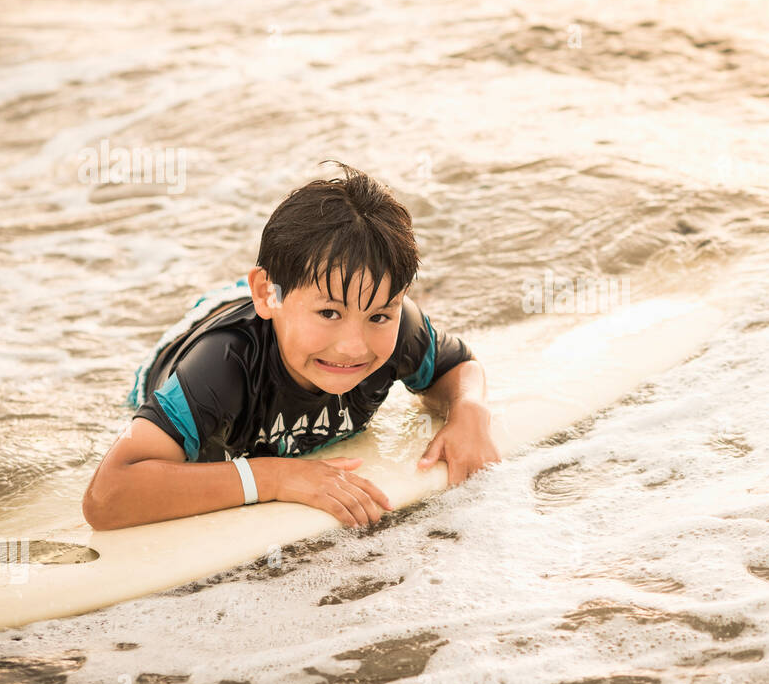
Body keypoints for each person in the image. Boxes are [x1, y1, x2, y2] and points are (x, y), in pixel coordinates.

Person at [82, 162, 500, 531]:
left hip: (294, 298)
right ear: (268, 295)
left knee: (344, 295)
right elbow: (108, 495)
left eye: (378, 316)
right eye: (330, 316)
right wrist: (275, 478)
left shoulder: (396, 325)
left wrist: (469, 411)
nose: (354, 347)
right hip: (210, 337)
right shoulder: (223, 369)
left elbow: (459, 366)